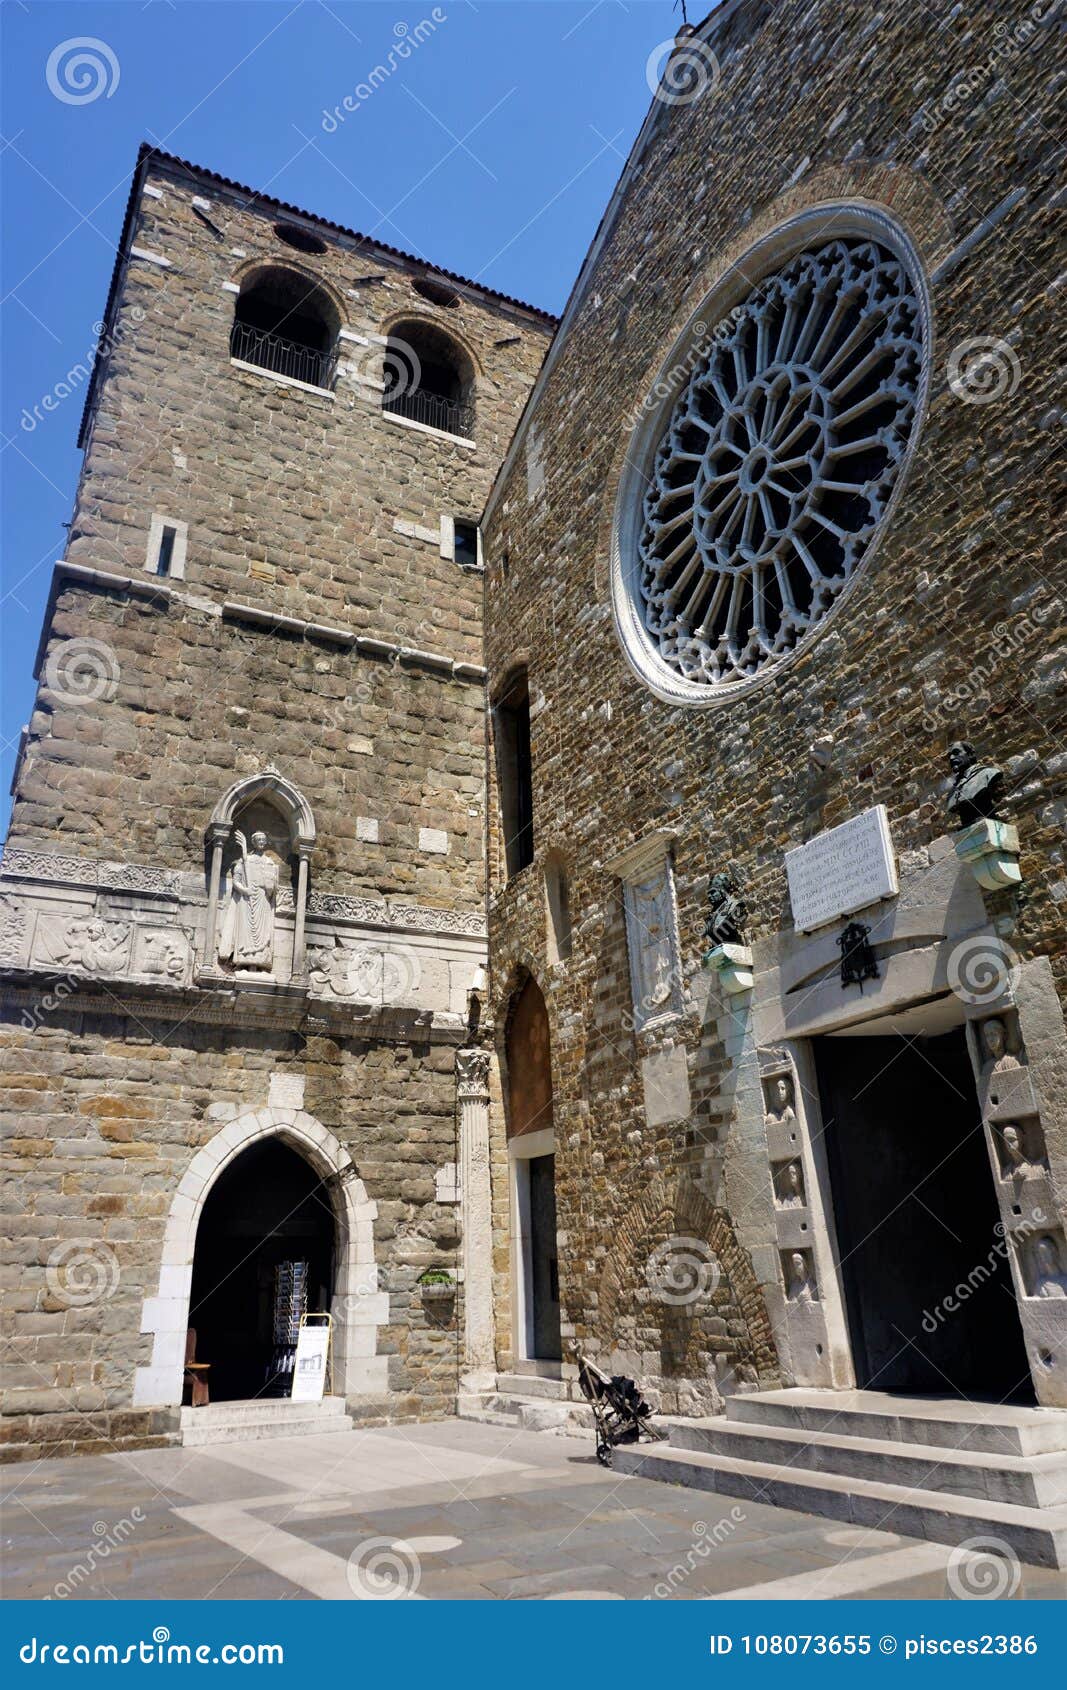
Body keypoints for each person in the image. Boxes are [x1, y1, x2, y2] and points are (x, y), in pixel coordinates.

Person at [218, 829, 278, 971]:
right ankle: (245, 959)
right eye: (258, 840)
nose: (261, 842)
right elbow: (236, 881)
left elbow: (273, 885)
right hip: (247, 900)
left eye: (263, 839)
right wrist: (246, 890)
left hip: (263, 900)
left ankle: (259, 960)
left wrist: (268, 885)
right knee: (246, 929)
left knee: (262, 930)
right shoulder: (245, 861)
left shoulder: (269, 863)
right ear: (254, 842)